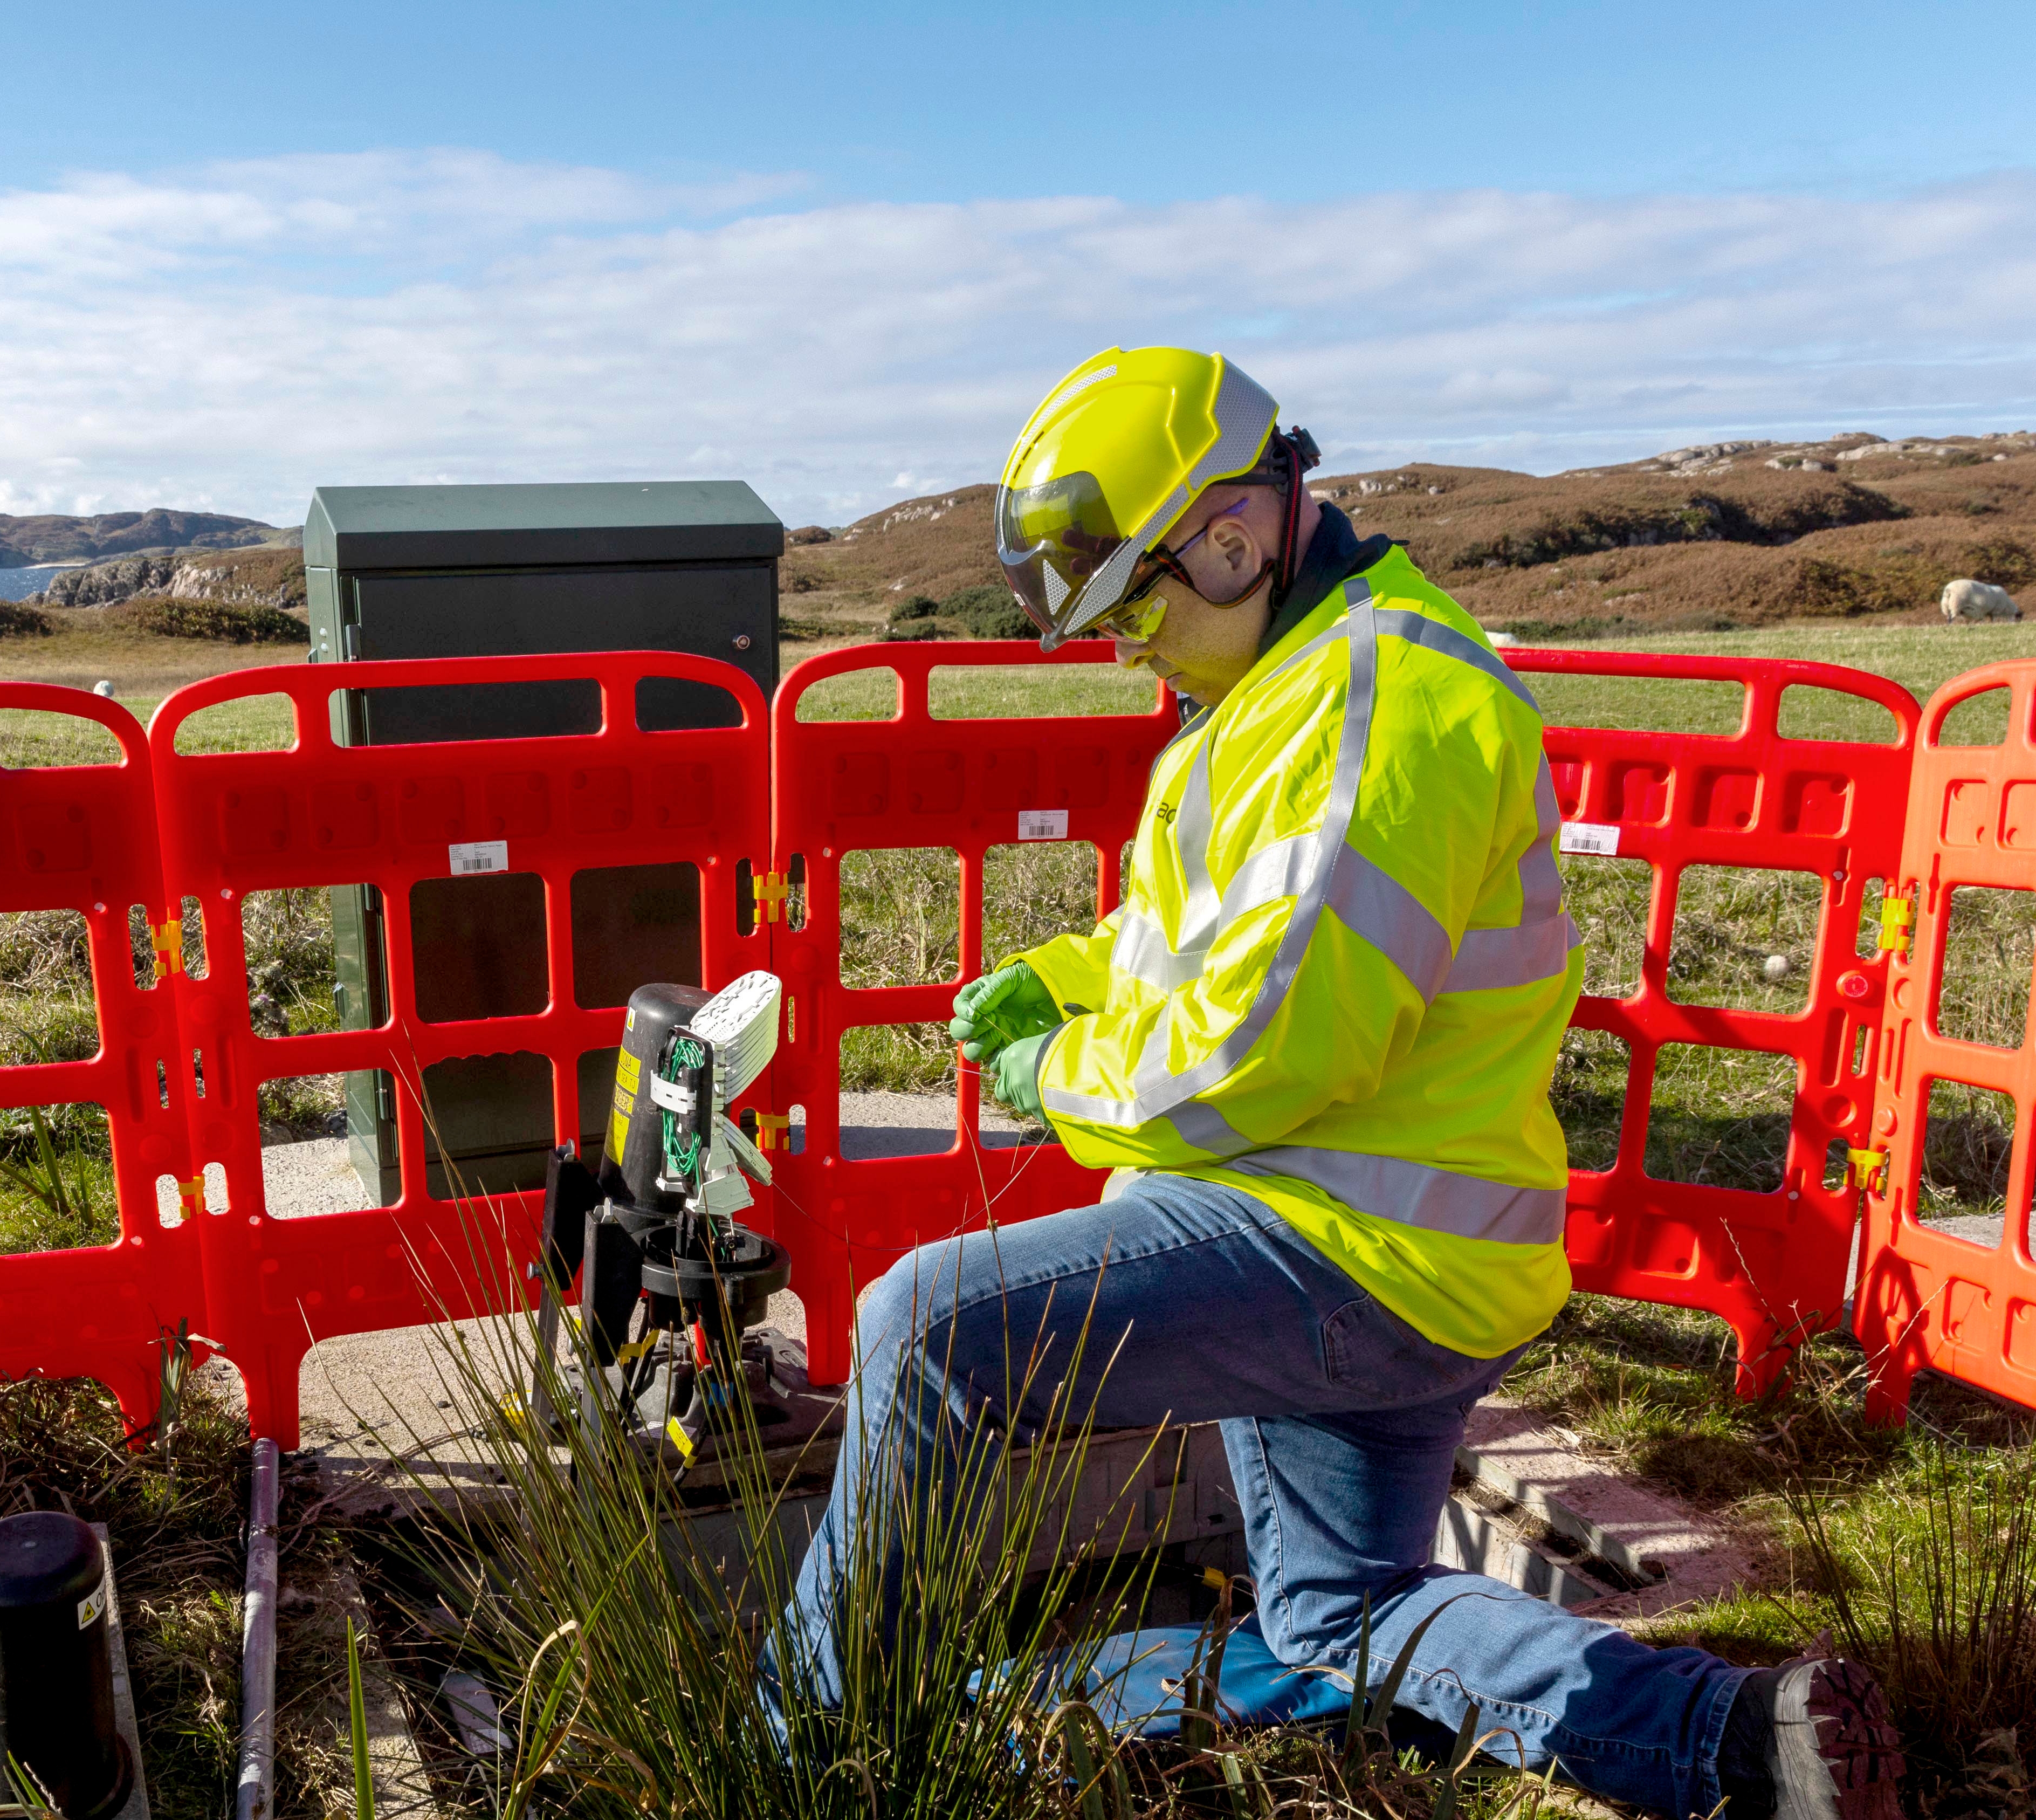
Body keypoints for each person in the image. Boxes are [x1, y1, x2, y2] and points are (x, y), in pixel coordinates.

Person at [770, 348, 1901, 1820]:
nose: (1126, 649)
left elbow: (1265, 1049)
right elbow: (1214, 937)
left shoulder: (1376, 704)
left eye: (1137, 607)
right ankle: (1749, 1747)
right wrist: (1070, 978)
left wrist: (1065, 1076)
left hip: (1342, 1243)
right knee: (1340, 1618)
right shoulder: (1290, 683)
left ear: (1232, 539)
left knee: (927, 1327)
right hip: (1404, 1247)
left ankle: (794, 1759)